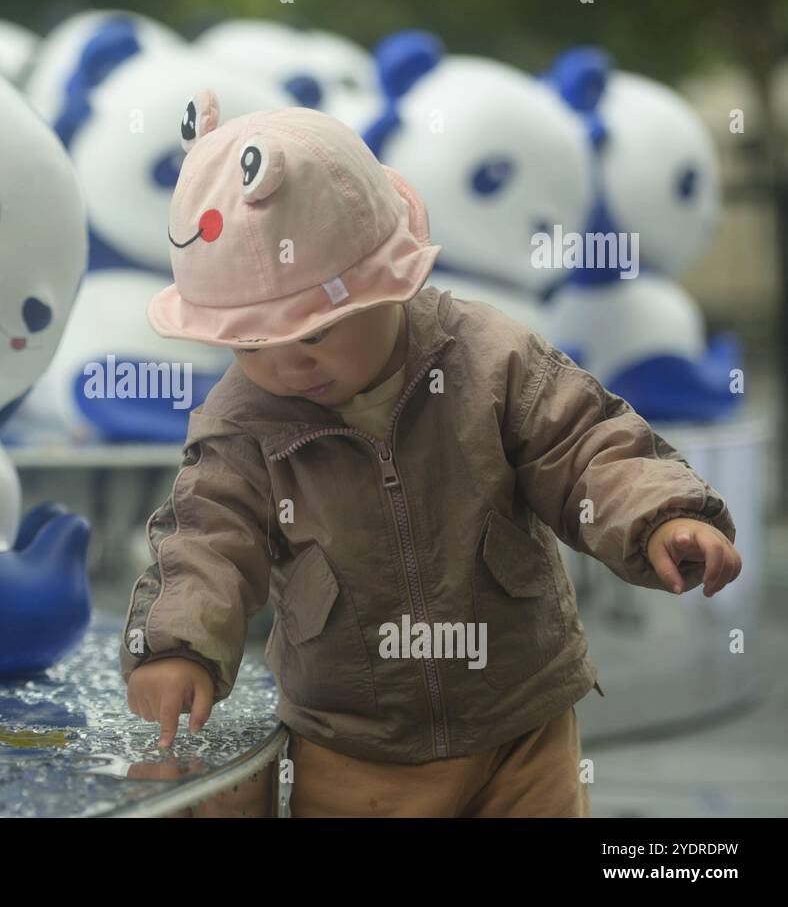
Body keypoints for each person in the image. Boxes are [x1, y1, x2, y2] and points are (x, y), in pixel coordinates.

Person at [119, 92, 742, 817]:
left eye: (317, 333)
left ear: (390, 280)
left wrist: (660, 513)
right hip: (356, 741)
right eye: (254, 345)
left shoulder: (488, 358)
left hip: (520, 719)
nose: (289, 365)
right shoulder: (241, 422)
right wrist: (175, 646)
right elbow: (206, 539)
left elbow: (584, 447)